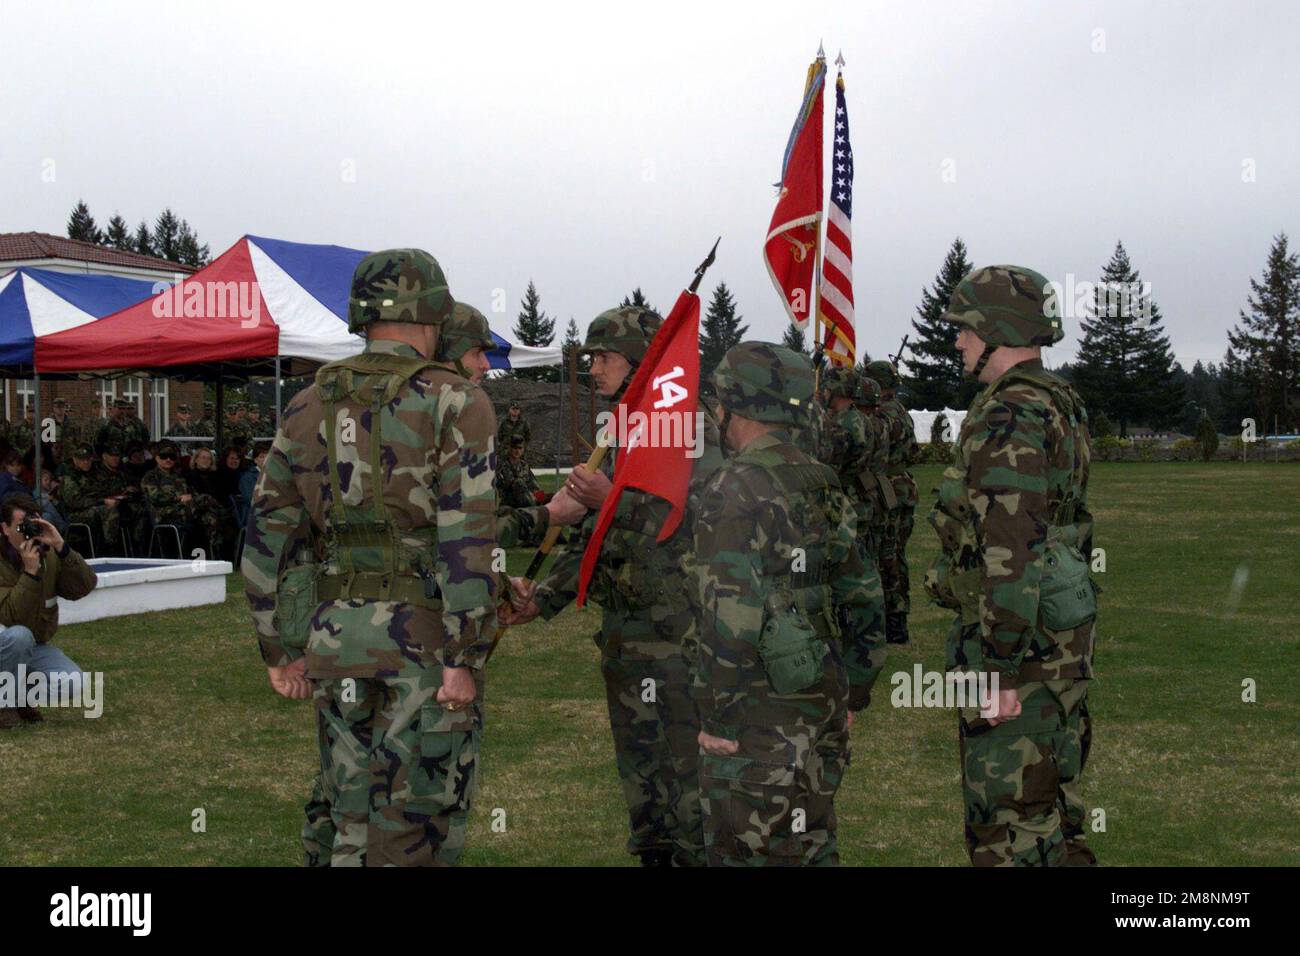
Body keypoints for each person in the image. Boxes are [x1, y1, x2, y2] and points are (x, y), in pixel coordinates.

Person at [243, 248, 503, 867]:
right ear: (433, 311)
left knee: (347, 806)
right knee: (415, 816)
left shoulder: (309, 402)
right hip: (424, 643)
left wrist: (278, 648)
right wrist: (465, 656)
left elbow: (265, 535)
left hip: (336, 638)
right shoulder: (456, 401)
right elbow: (468, 538)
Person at [503, 305, 725, 867]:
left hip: (680, 634)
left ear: (642, 361)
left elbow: (707, 521)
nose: (592, 370)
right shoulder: (624, 427)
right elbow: (592, 538)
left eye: (602, 358)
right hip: (627, 634)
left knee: (688, 775)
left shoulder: (688, 426)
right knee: (642, 775)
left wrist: (612, 502)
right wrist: (545, 597)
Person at [923, 264, 1098, 867]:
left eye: (965, 330)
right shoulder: (1055, 401)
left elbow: (1010, 547)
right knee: (1052, 805)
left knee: (1008, 823)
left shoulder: (1010, 415)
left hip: (1020, 650)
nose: (957, 342)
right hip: (1058, 637)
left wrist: (998, 667)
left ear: (996, 328)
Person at [692, 342, 884, 866]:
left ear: (734, 404)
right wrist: (855, 690)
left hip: (758, 713)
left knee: (747, 848)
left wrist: (719, 718)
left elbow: (728, 618)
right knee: (811, 842)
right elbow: (864, 591)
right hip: (821, 698)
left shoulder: (732, 487)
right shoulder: (820, 479)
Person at [0, 493, 97, 729]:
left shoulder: (47, 554)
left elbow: (83, 588)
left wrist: (62, 547)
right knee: (19, 635)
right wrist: (30, 574)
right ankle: (4, 705)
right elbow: (10, 617)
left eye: (34, 524)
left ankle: (17, 698)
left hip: (32, 646)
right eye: (22, 526)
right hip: (7, 641)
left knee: (73, 682)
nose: (29, 532)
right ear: (4, 528)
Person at [865, 360, 920, 645]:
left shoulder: (882, 416)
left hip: (889, 491)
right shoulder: (901, 412)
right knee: (896, 555)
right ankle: (898, 618)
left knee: (886, 556)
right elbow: (913, 451)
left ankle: (892, 619)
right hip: (904, 488)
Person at [141, 440, 226, 558]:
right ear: (157, 458)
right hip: (165, 514)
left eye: (171, 457)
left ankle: (214, 556)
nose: (168, 460)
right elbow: (155, 497)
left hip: (185, 511)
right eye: (164, 456)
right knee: (207, 501)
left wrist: (191, 498)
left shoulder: (178, 477)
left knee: (211, 517)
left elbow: (192, 494)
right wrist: (178, 498)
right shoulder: (151, 476)